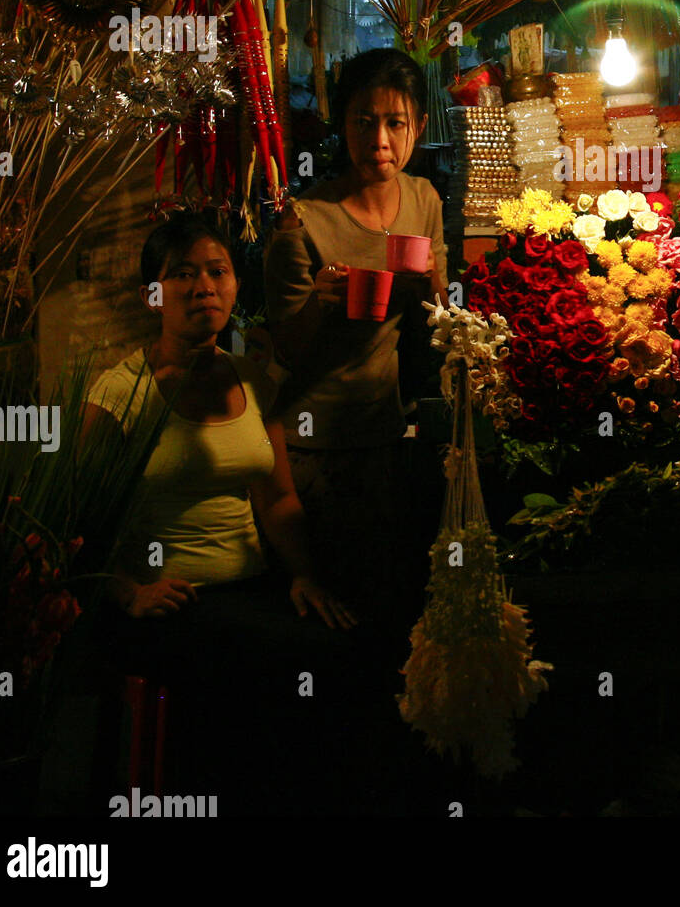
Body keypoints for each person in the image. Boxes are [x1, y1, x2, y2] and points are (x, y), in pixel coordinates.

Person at [84, 212, 381, 812]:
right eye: (182, 275)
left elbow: (277, 497)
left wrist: (303, 573)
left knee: (344, 651)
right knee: (243, 673)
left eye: (217, 271)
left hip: (250, 589)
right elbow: (77, 523)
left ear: (235, 286)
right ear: (153, 294)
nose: (204, 287)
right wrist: (127, 592)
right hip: (166, 602)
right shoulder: (118, 394)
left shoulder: (250, 380)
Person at [263, 48, 448, 628]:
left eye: (396, 123)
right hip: (312, 448)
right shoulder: (304, 219)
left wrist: (433, 293)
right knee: (321, 615)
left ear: (418, 126)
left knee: (389, 609)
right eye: (364, 123)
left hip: (386, 439)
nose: (381, 142)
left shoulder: (424, 201)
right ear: (342, 126)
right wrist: (320, 304)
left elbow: (435, 323)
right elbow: (286, 351)